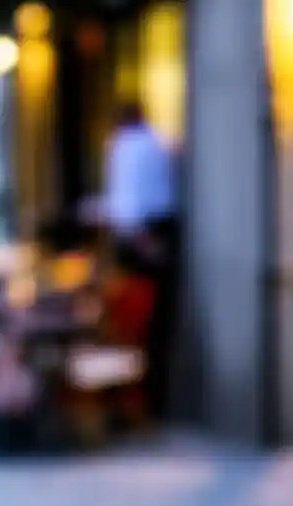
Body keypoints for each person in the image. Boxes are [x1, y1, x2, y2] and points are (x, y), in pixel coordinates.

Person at [104, 103, 180, 418]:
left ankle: (138, 401)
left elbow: (126, 206)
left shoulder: (128, 147)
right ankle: (148, 399)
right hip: (157, 235)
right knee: (152, 327)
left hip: (143, 242)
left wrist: (139, 241)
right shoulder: (157, 144)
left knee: (135, 325)